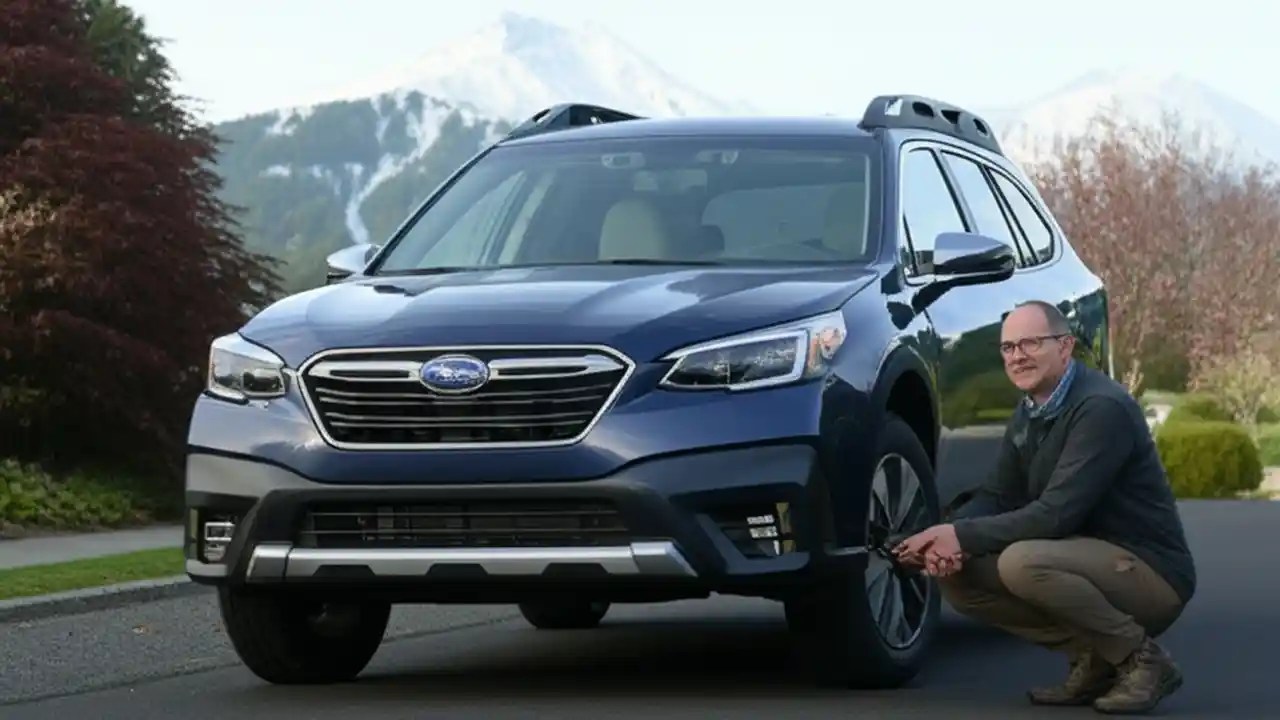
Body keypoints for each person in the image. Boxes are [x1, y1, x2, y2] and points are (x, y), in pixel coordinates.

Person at [893, 300, 1196, 715]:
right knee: (958, 575)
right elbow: (998, 494)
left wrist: (961, 536)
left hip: (1151, 572)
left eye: (1031, 343)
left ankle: (1141, 660)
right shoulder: (1032, 408)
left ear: (1065, 346)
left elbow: (1056, 515)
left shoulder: (1100, 410)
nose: (1018, 356)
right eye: (1008, 348)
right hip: (1083, 558)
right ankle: (1097, 659)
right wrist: (945, 537)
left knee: (1023, 562)